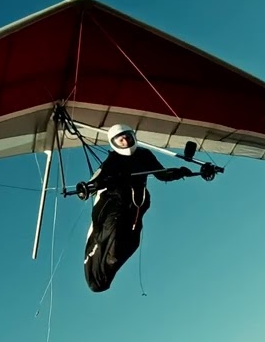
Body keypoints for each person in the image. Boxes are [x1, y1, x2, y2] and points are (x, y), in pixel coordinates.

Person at [79, 124, 191, 292]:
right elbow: (97, 178)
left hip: (135, 202)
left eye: (127, 137)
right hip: (112, 202)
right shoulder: (113, 159)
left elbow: (162, 174)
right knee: (113, 237)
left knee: (133, 242)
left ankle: (109, 264)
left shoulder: (144, 155)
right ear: (114, 143)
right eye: (120, 139)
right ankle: (100, 267)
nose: (125, 141)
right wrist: (88, 187)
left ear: (133, 136)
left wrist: (180, 172)